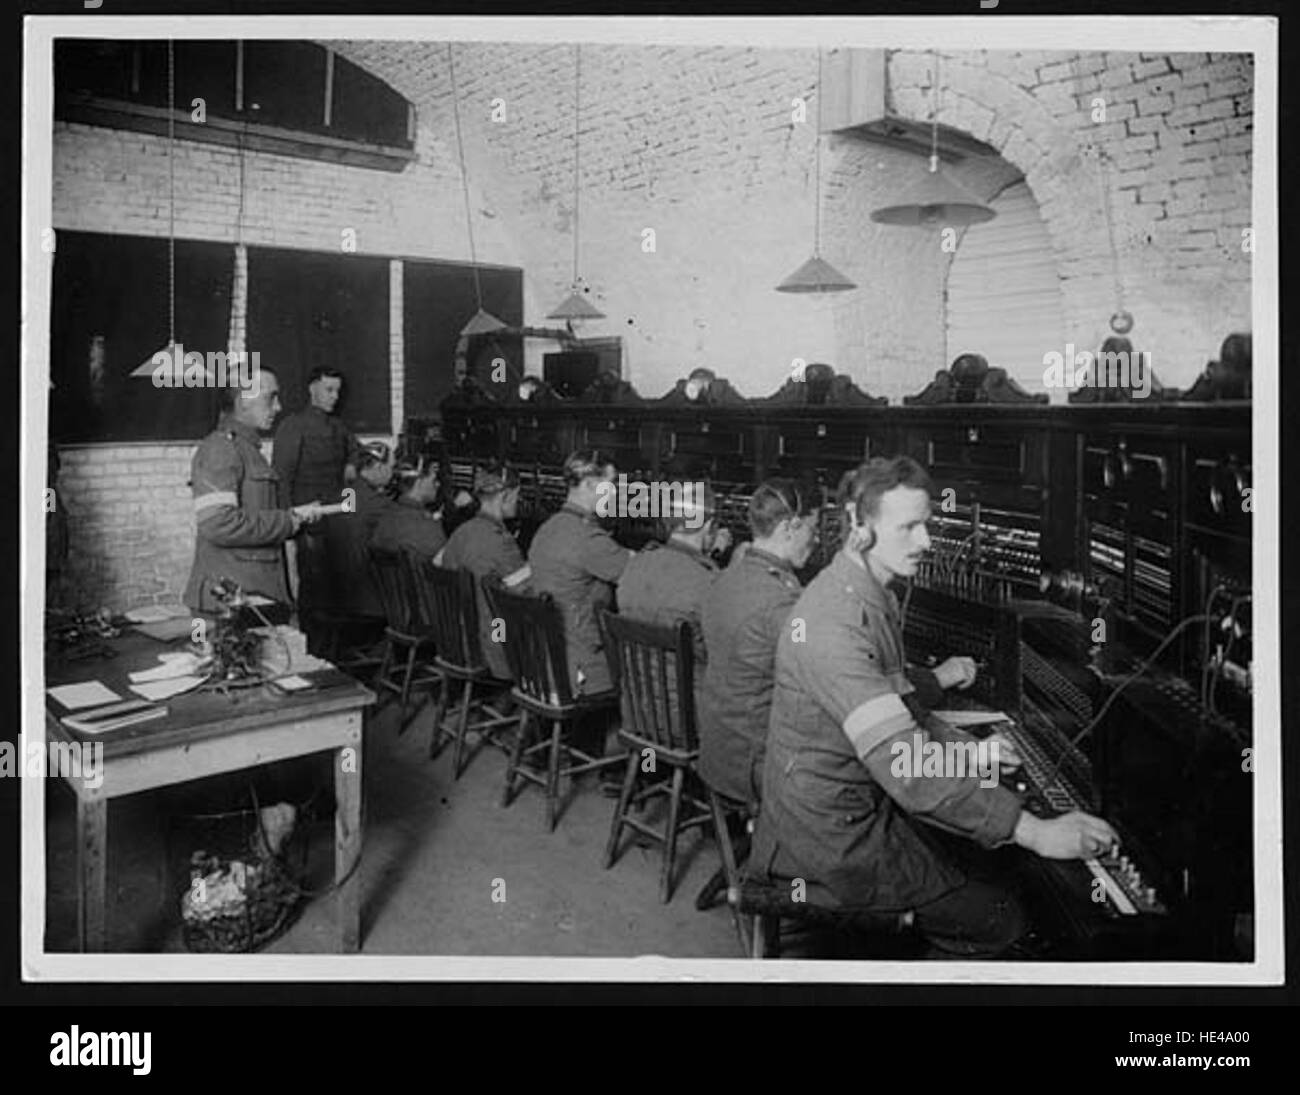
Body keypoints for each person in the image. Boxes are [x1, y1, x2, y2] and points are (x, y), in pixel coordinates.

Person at [748, 456, 1119, 958]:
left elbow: (907, 713)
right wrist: (1034, 831)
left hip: (856, 810)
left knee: (989, 863)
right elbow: (907, 768)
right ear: (859, 527)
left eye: (928, 524)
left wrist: (972, 754)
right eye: (910, 527)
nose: (926, 541)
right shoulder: (833, 625)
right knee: (1005, 916)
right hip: (832, 843)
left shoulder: (869, 596)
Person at [697, 479, 816, 808]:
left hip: (716, 754)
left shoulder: (722, 579)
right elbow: (822, 669)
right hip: (755, 765)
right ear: (790, 527)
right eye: (812, 529)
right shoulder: (779, 602)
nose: (816, 540)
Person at [183, 366, 324, 613]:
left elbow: (254, 513)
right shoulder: (221, 449)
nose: (278, 407)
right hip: (231, 601)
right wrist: (287, 521)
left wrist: (296, 518)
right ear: (243, 401)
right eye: (271, 397)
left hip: (252, 595)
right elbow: (219, 524)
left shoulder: (246, 450)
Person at [527, 450, 635, 698]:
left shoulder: (548, 529)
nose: (616, 492)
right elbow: (640, 577)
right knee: (656, 671)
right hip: (582, 671)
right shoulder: (587, 538)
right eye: (611, 485)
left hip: (543, 665)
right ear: (588, 484)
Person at [272, 367, 359, 635]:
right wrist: (288, 521)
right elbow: (282, 476)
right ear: (312, 389)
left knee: (337, 585)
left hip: (337, 520)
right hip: (309, 521)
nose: (334, 397)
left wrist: (352, 463)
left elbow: (356, 449)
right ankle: (313, 641)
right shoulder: (293, 425)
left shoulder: (338, 426)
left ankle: (335, 645)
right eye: (329, 390)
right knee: (313, 583)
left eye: (337, 391)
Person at [616, 483, 730, 669]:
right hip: (692, 695)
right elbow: (722, 653)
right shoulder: (709, 583)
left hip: (636, 694)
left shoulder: (634, 565)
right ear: (709, 525)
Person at [437, 461, 531, 681]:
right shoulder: (501, 542)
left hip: (457, 641)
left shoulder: (461, 531)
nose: (518, 502)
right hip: (495, 645)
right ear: (505, 496)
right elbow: (527, 596)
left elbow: (436, 563)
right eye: (517, 496)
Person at [323, 441, 401, 619]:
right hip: (366, 600)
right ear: (377, 466)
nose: (393, 473)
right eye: (391, 467)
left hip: (335, 594)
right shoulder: (378, 504)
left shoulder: (344, 493)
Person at [371, 461, 447, 563]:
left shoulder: (385, 513)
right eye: (434, 480)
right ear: (418, 483)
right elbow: (446, 561)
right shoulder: (427, 528)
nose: (438, 484)